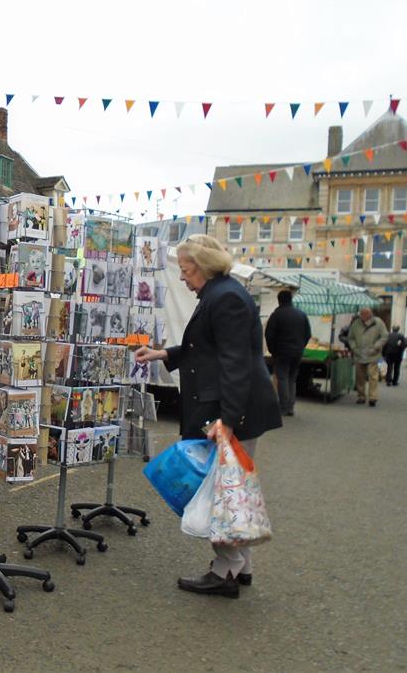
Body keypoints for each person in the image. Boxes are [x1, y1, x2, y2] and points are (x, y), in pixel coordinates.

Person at [135, 234, 281, 599]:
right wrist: (161, 354)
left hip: (232, 411)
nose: (182, 277)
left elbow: (235, 363)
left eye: (185, 269)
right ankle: (241, 565)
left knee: (220, 492)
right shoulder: (223, 292)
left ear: (202, 266)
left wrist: (228, 420)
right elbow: (204, 349)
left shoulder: (225, 297)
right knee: (231, 488)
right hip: (234, 408)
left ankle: (225, 571)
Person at [264, 290, 311, 417]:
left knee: (282, 378)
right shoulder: (301, 314)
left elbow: (269, 335)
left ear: (279, 300)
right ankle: (291, 406)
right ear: (291, 299)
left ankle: (284, 407)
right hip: (297, 352)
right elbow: (308, 334)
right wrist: (301, 347)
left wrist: (273, 350)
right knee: (292, 379)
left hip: (281, 352)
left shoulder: (276, 315)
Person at [347, 307, 389, 407]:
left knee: (373, 376)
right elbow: (350, 338)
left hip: (373, 354)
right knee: (360, 377)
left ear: (370, 314)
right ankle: (361, 396)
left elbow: (385, 336)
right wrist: (354, 348)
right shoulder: (356, 323)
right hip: (359, 354)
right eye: (361, 314)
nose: (363, 317)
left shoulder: (378, 322)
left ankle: (372, 398)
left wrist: (376, 346)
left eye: (365, 314)